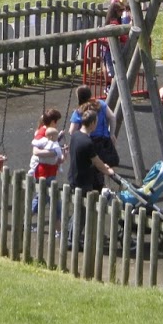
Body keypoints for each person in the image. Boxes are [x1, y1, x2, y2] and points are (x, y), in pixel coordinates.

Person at [66, 104, 114, 248]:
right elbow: (96, 161)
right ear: (92, 123)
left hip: (73, 176)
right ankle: (72, 241)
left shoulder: (75, 136)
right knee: (82, 213)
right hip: (83, 180)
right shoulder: (87, 142)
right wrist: (108, 171)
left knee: (77, 210)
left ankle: (70, 236)